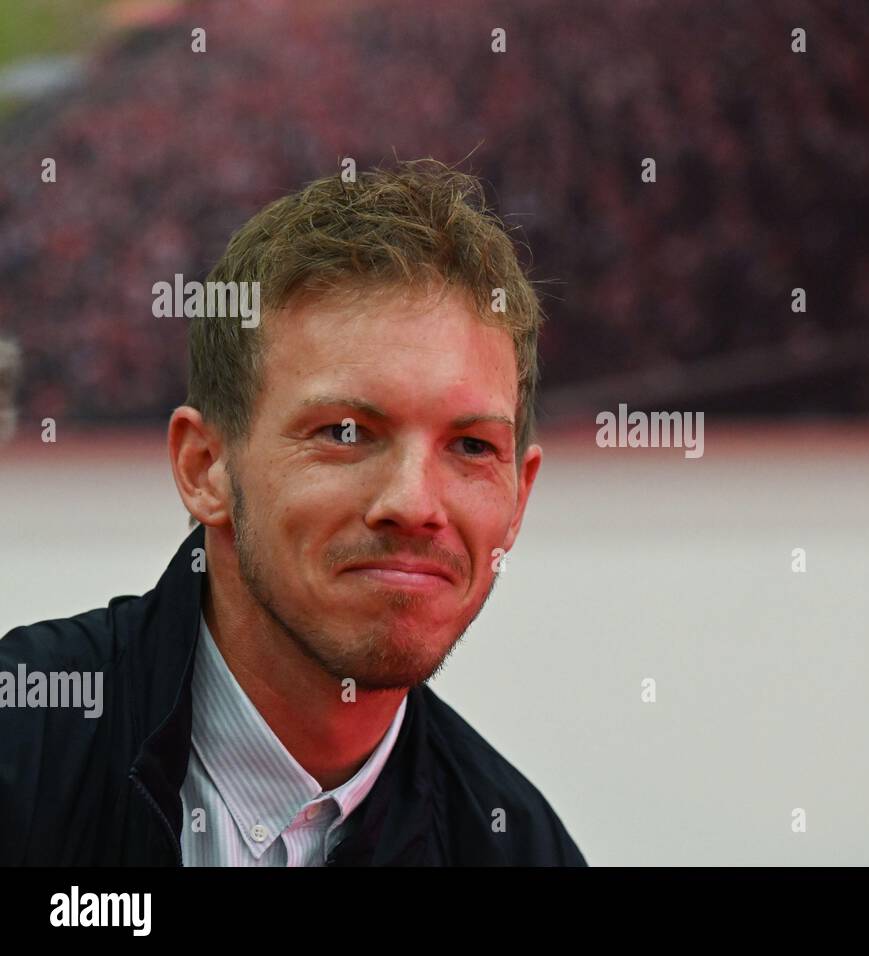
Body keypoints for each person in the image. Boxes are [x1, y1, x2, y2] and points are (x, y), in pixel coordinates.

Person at [0, 160, 586, 866]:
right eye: (345, 433)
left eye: (469, 445)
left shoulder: (515, 848)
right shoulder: (21, 745)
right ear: (204, 467)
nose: (413, 502)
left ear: (519, 497)